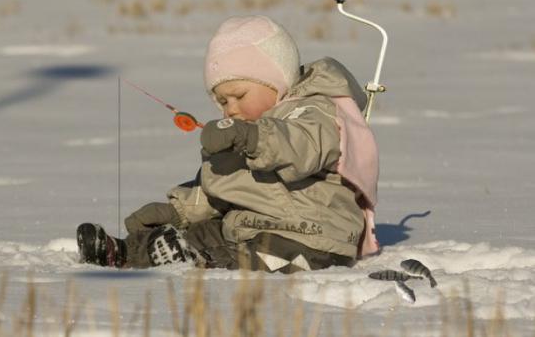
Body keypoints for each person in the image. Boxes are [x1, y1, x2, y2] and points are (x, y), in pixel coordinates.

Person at [77, 15, 380, 273]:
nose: (230, 108)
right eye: (222, 101)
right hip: (250, 227)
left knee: (249, 252)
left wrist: (253, 136)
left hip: (313, 238)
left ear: (277, 81)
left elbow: (303, 146)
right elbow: (222, 184)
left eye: (239, 96)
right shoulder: (244, 133)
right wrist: (178, 211)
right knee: (202, 232)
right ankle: (125, 253)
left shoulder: (314, 111)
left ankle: (195, 260)